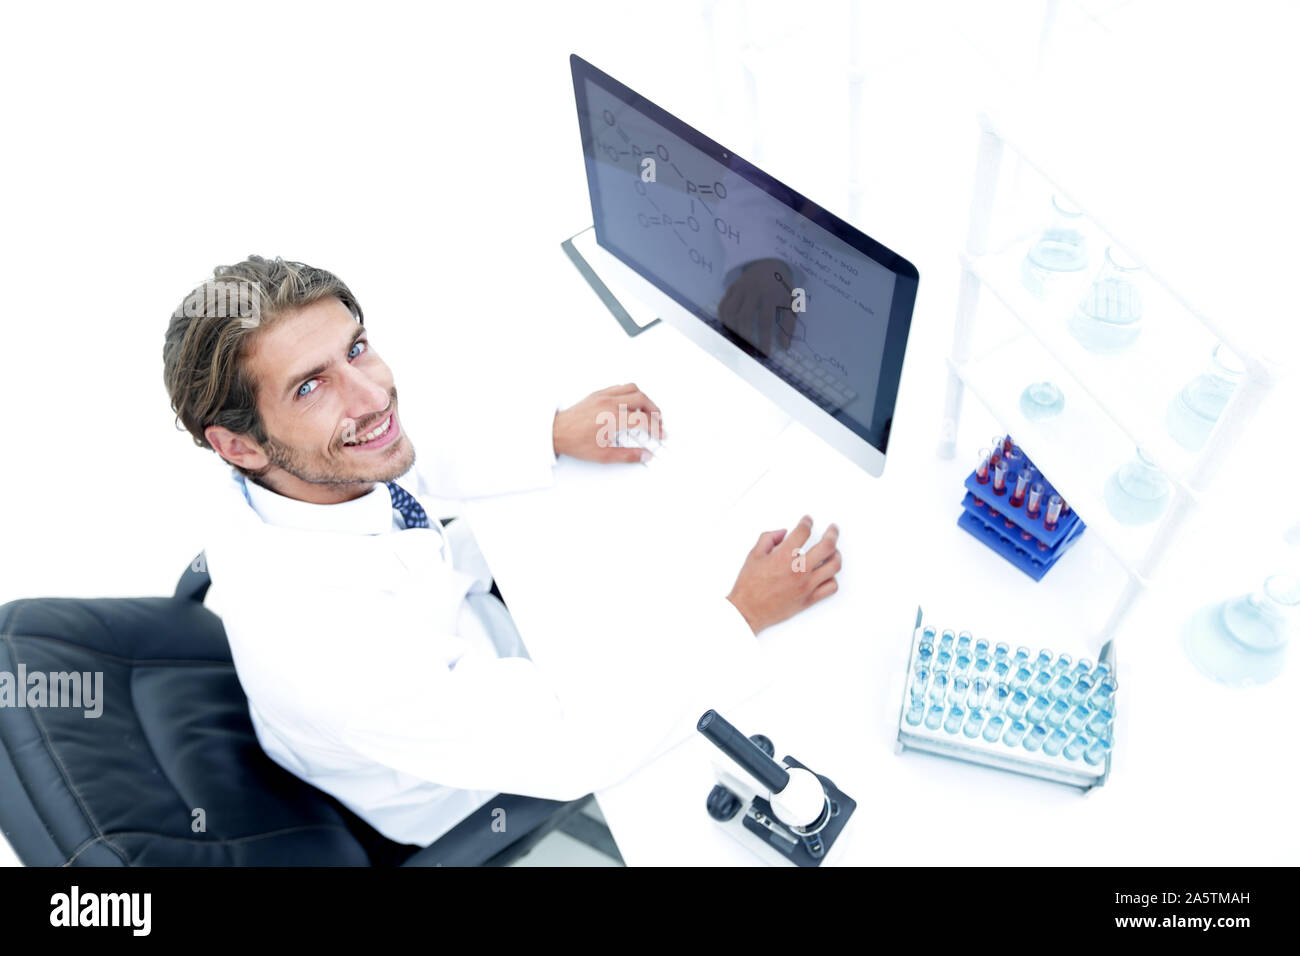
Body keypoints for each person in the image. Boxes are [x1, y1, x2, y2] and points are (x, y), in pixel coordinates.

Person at [162, 254, 841, 848]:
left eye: (358, 347)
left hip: (476, 625)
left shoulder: (288, 467)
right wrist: (742, 617)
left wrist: (548, 433)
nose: (374, 395)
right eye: (310, 386)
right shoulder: (332, 657)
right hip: (458, 774)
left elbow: (401, 456)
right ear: (237, 444)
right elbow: (575, 748)